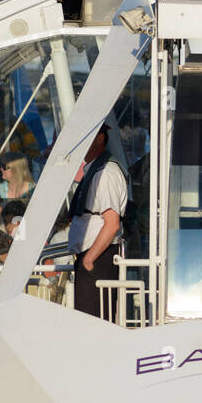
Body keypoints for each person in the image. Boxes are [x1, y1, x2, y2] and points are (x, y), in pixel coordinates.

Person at [67, 125, 128, 319]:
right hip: (90, 256)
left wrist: (89, 260)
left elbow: (112, 223)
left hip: (99, 257)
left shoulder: (106, 172)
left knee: (93, 320)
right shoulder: (95, 169)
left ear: (100, 138)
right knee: (85, 320)